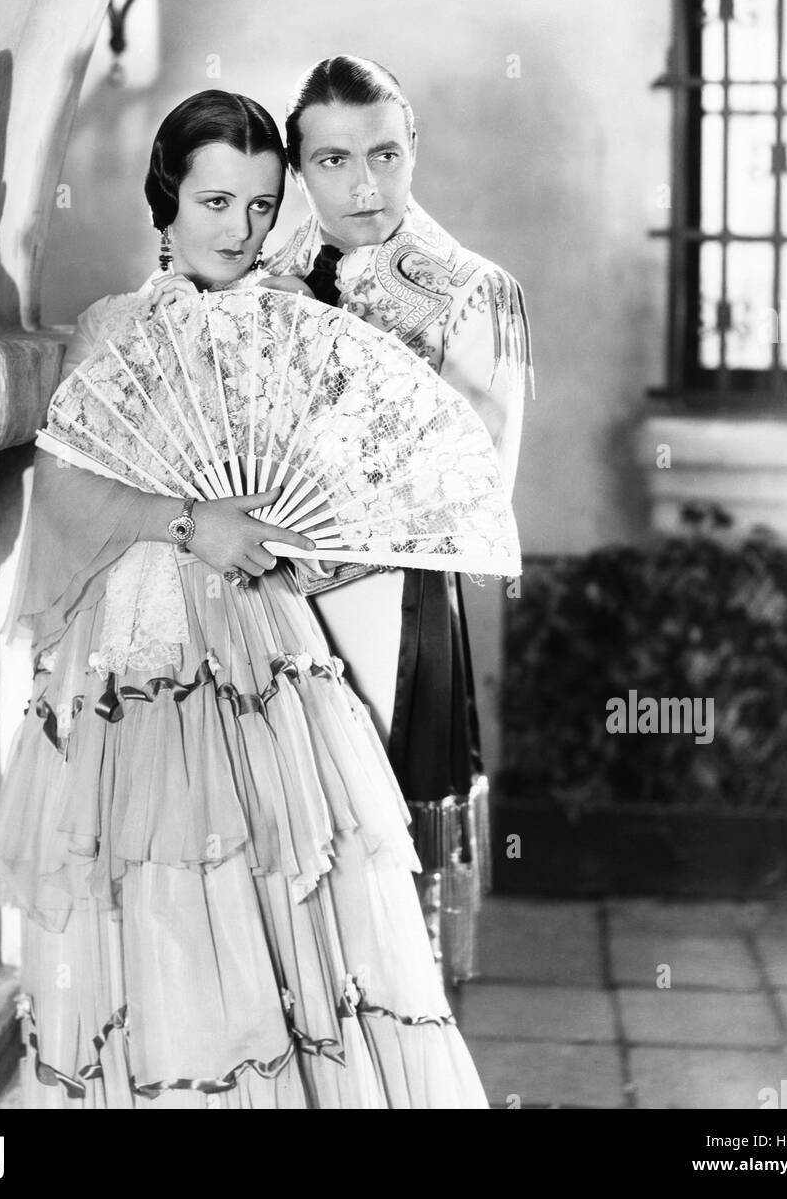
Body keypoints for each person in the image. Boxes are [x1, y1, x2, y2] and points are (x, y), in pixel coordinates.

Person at [0, 89, 489, 1108]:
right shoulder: (112, 328)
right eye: (214, 202)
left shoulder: (293, 327)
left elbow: (331, 498)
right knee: (152, 897)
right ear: (164, 203)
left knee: (276, 899)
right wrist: (185, 519)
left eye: (261, 205)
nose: (239, 229)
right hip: (127, 650)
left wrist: (300, 542)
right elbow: (70, 488)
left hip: (259, 647)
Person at [268, 57, 531, 983]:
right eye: (333, 160)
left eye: (384, 153)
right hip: (261, 610)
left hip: (392, 607)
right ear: (299, 169)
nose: (364, 184)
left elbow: (472, 494)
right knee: (280, 879)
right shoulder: (258, 281)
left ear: (414, 149)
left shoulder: (474, 293)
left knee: (386, 899)